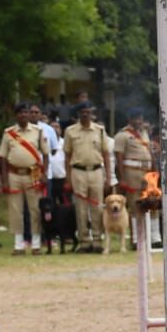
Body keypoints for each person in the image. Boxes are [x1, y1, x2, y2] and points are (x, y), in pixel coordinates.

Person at [63, 101, 112, 253]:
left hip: (97, 171)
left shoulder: (100, 130)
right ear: (78, 114)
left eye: (88, 111)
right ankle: (84, 241)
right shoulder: (70, 131)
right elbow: (67, 156)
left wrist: (108, 178)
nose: (86, 114)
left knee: (97, 207)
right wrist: (68, 179)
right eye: (82, 112)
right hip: (78, 171)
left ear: (92, 113)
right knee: (81, 208)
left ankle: (97, 240)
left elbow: (106, 155)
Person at [0, 103, 46, 255]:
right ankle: (18, 245)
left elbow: (45, 153)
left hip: (33, 174)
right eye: (20, 113)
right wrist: (4, 179)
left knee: (35, 209)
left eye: (26, 112)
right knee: (15, 210)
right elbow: (3, 158)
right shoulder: (9, 133)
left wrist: (44, 173)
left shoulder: (38, 131)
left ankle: (36, 244)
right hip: (14, 174)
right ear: (16, 115)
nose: (23, 115)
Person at [113, 107, 158, 249]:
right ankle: (137, 239)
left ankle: (154, 237)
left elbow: (150, 152)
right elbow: (119, 158)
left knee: (153, 202)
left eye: (140, 118)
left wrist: (154, 171)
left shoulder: (144, 133)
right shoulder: (122, 135)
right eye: (135, 118)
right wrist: (122, 178)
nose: (139, 121)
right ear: (130, 119)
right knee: (135, 205)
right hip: (131, 171)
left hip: (147, 171)